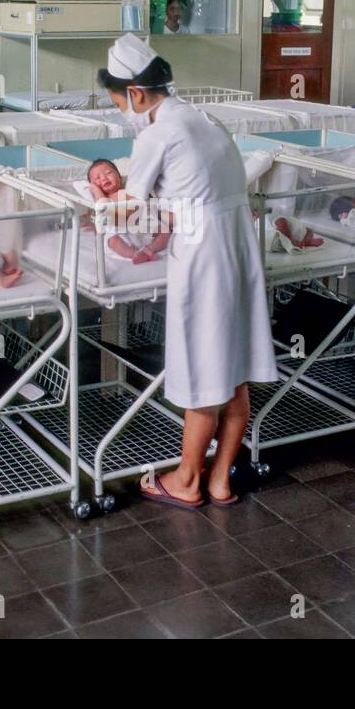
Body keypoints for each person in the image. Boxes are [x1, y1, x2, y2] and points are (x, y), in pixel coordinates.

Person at [99, 34, 277, 507]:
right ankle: (220, 480)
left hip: (203, 257)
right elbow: (195, 194)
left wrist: (98, 202)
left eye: (118, 100)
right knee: (234, 369)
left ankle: (186, 480)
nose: (120, 109)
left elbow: (128, 212)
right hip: (238, 246)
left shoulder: (155, 134)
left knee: (203, 369)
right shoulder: (204, 119)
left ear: (135, 93)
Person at [85, 158, 171, 263]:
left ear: (119, 177)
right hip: (121, 231)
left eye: (109, 173)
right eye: (97, 178)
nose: (103, 178)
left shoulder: (129, 190)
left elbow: (147, 199)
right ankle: (134, 254)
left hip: (143, 226)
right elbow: (101, 210)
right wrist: (95, 190)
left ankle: (150, 250)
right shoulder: (103, 198)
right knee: (113, 240)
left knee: (165, 231)